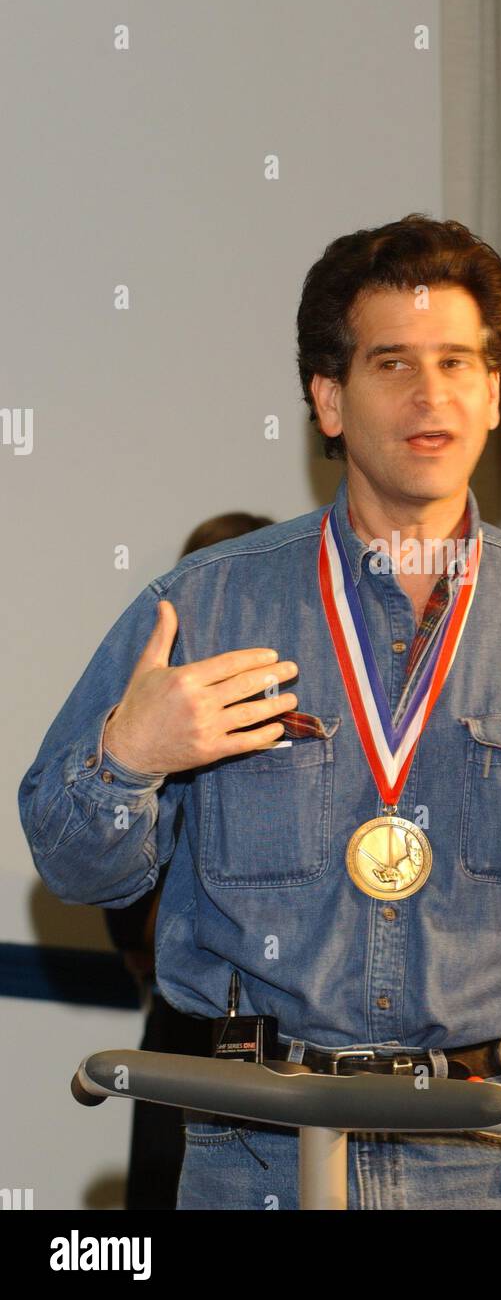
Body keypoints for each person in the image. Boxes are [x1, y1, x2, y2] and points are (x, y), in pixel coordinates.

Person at [19, 217, 501, 1211]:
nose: (431, 392)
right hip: (257, 1150)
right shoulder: (204, 607)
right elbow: (73, 864)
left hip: (499, 1155)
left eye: (459, 361)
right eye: (391, 362)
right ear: (329, 399)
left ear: (494, 395)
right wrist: (125, 761)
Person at [103, 511, 274, 1210]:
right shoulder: (141, 736)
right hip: (186, 1034)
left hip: (300, 1050)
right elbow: (125, 921)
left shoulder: (298, 724)